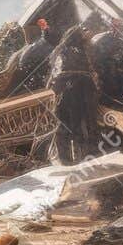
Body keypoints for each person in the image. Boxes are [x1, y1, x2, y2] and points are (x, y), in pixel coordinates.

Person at [50, 27, 99, 165]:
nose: (85, 35)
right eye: (82, 33)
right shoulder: (67, 51)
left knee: (76, 124)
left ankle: (79, 155)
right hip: (72, 92)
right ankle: (73, 157)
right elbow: (62, 72)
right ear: (76, 36)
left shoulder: (75, 50)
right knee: (72, 124)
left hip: (76, 91)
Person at [90, 18, 123, 108]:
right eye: (118, 27)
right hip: (111, 78)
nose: (121, 29)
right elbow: (105, 60)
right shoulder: (105, 41)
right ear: (112, 28)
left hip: (120, 74)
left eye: (121, 27)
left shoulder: (120, 40)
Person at [11, 18, 52, 90]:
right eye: (25, 31)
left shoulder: (28, 51)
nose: (26, 35)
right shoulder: (28, 51)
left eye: (27, 31)